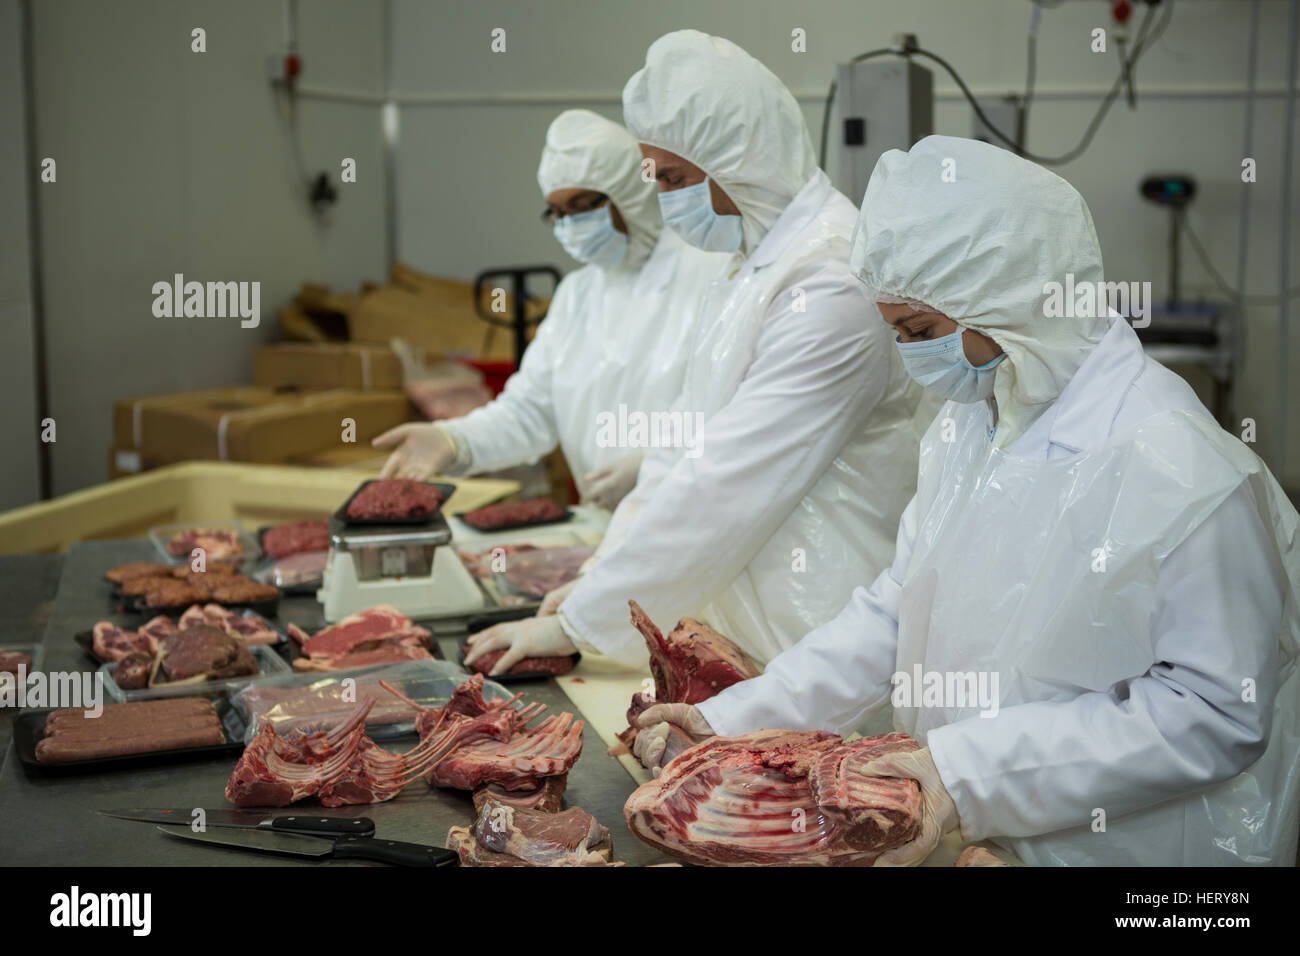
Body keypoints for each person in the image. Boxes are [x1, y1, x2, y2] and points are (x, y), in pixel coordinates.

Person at [638, 135, 1300, 867]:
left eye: (920, 332)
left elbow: (1214, 712)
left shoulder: (1172, 462)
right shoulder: (976, 418)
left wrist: (969, 775)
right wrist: (732, 719)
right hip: (992, 834)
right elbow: (902, 606)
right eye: (896, 331)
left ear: (1010, 304)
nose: (910, 356)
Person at [465, 31, 921, 681]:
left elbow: (729, 481)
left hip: (822, 641)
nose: (668, 200)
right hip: (744, 633)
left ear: (740, 159)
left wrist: (582, 622)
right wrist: (603, 578)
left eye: (675, 178)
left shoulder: (828, 278)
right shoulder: (748, 268)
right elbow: (683, 452)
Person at [373, 109, 729, 511]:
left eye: (583, 206)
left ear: (630, 193)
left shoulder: (714, 271)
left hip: (703, 519)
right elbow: (529, 412)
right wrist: (454, 440)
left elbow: (746, 407)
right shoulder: (577, 296)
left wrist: (659, 464)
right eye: (558, 213)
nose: (571, 225)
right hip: (611, 525)